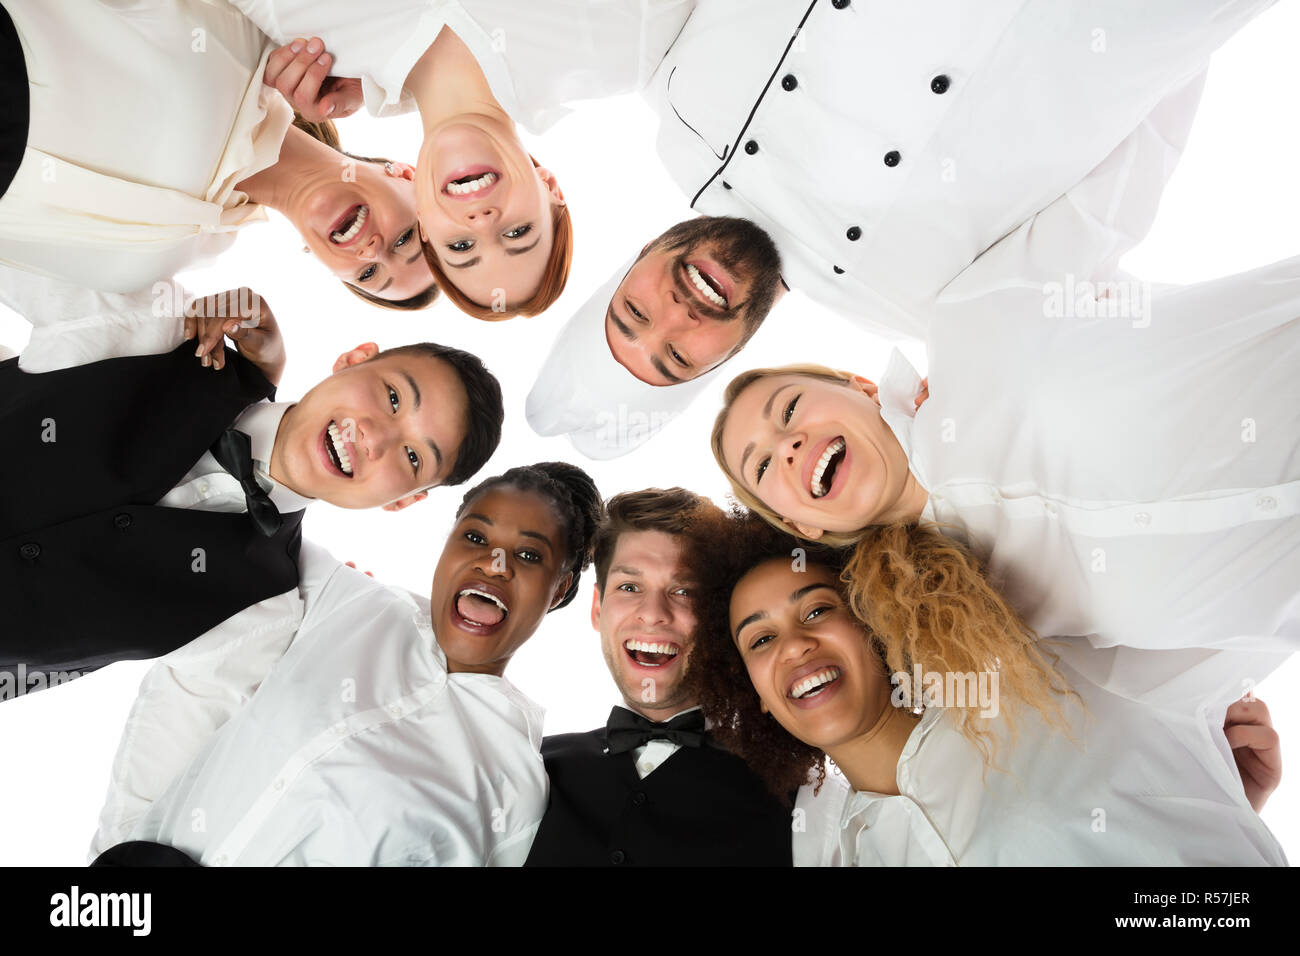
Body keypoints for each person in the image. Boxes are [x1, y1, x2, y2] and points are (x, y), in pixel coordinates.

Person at [526, 0, 1275, 454]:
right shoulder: (935, 311)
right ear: (724, 360)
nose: (676, 317)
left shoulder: (677, 101)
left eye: (634, 313)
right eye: (676, 358)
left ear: (628, 267)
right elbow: (1117, 195)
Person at [710, 255, 1300, 666]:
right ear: (801, 526)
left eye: (788, 410)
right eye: (761, 468)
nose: (785, 447)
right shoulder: (974, 628)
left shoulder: (976, 323)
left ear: (861, 387)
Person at [1, 274, 503, 700]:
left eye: (413, 457)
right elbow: (23, 233)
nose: (375, 438)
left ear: (402, 502)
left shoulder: (265, 619)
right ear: (354, 358)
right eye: (393, 397)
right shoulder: (165, 335)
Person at [687, 509, 1287, 866]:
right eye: (760, 640)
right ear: (756, 695)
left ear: (872, 618)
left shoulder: (1044, 692)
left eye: (816, 611)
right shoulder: (840, 851)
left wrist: (1197, 790)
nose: (794, 647)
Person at [90, 462, 603, 866]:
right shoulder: (343, 596)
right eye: (474, 537)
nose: (494, 565)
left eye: (531, 556)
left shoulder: (516, 788)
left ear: (560, 590)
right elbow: (212, 511)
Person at [227, 0, 697, 319]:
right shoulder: (621, 44)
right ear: (549, 187)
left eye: (460, 248)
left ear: (427, 221)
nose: (481, 220)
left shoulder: (306, 49)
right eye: (517, 233)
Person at [0, 0, 437, 309]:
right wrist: (376, 77)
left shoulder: (187, 255)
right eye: (405, 240)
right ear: (405, 174)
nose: (373, 252)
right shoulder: (264, 46)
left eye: (368, 276)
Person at [524, 488, 797, 866]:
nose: (653, 613)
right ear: (597, 608)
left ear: (720, 617)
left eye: (684, 590)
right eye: (630, 587)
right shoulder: (528, 766)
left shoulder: (798, 797)